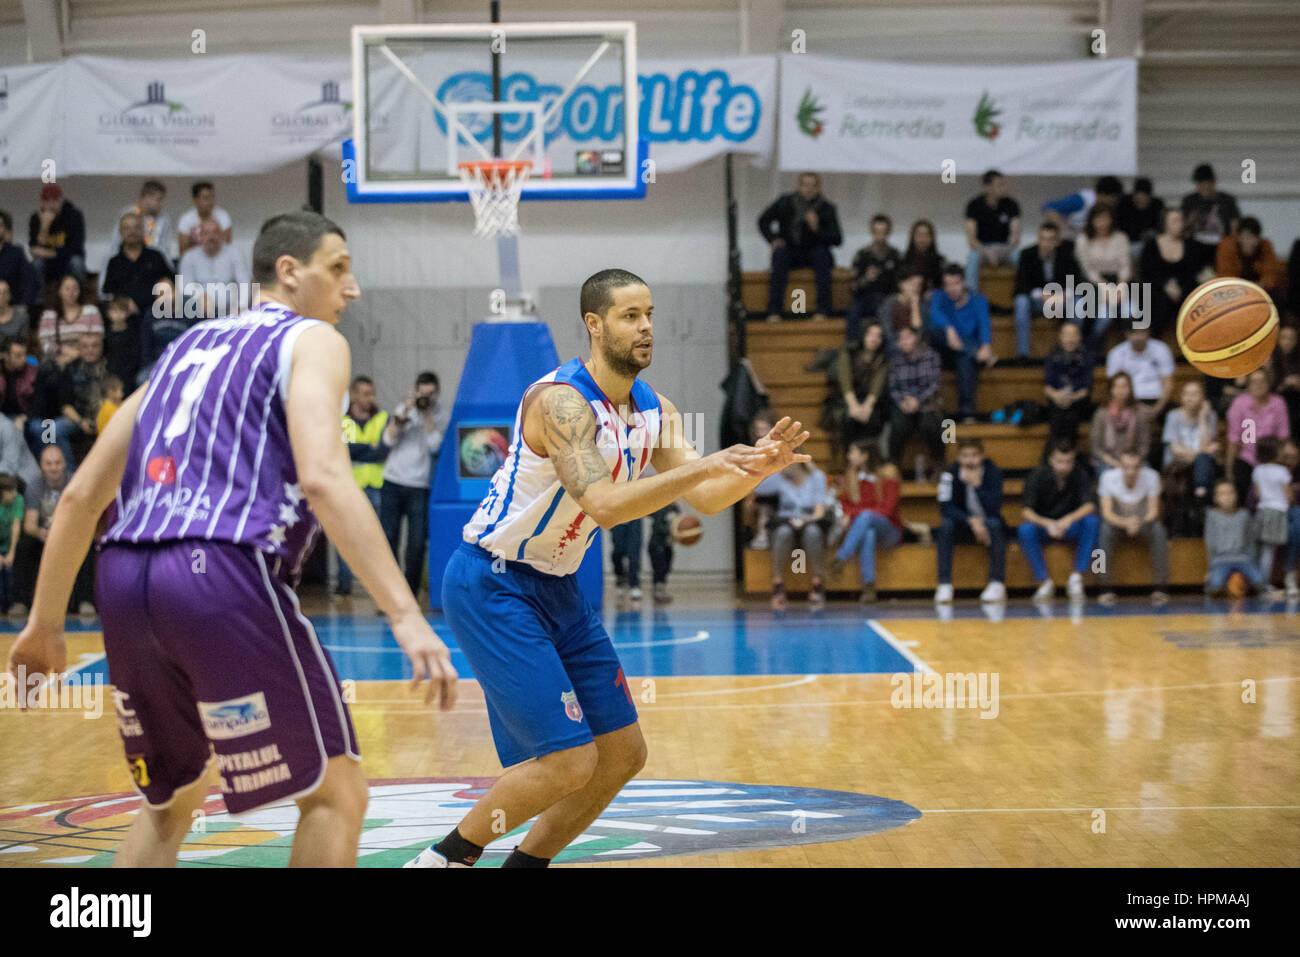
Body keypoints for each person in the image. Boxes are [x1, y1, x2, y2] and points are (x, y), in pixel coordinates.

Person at [5, 210, 457, 868]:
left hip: (124, 577)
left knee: (171, 803)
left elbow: (80, 495)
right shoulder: (312, 340)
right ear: (289, 271)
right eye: (339, 268)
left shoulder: (178, 353)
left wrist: (46, 621)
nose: (351, 287)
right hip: (220, 567)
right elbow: (326, 478)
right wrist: (407, 614)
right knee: (336, 793)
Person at [406, 267, 808, 869]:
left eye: (649, 314)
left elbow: (704, 498)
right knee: (569, 761)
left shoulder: (655, 408)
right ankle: (444, 859)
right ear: (594, 325)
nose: (646, 327)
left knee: (622, 755)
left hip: (558, 586)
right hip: (493, 581)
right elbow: (605, 504)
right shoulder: (560, 402)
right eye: (630, 316)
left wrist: (757, 471)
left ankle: (525, 865)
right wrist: (705, 467)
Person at [9, 445, 95, 619]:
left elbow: (82, 519)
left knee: (88, 544)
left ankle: (86, 601)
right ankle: (21, 602)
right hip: (44, 537)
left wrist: (64, 535)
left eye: (57, 463)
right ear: (42, 466)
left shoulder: (75, 484)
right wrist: (44, 534)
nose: (53, 467)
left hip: (69, 536)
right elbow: (30, 525)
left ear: (65, 464)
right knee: (24, 544)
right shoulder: (34, 486)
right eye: (49, 464)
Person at [380, 371, 445, 598]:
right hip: (393, 482)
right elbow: (388, 440)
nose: (425, 398)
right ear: (415, 390)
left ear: (436, 393)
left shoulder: (439, 415)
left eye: (430, 394)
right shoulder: (404, 409)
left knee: (417, 543)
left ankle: (410, 594)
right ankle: (390, 594)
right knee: (389, 539)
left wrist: (426, 415)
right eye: (421, 393)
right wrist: (405, 410)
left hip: (419, 485)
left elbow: (435, 447)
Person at [1019, 440, 1100, 601]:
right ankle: (1043, 581)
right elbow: (1026, 511)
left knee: (1092, 522)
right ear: (1051, 460)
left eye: (1068, 461)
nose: (1064, 466)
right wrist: (1047, 523)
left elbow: (1089, 506)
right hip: (1045, 526)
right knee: (1025, 529)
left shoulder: (1080, 474)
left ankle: (1077, 577)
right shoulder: (1037, 476)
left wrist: (1068, 519)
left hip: (1070, 525)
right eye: (1060, 461)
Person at [757, 172, 843, 321]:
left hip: (814, 251)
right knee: (779, 255)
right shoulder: (785, 202)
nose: (808, 189)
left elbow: (837, 239)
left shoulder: (826, 208)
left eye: (812, 186)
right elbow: (763, 221)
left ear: (818, 188)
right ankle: (774, 310)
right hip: (791, 249)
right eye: (805, 185)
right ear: (799, 186)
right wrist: (773, 239)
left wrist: (817, 228)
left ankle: (822, 309)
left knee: (822, 256)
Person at [933, 437, 1006, 604]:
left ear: (981, 456)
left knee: (995, 524)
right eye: (965, 455)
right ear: (959, 457)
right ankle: (944, 584)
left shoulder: (993, 472)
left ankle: (997, 582)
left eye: (974, 455)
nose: (970, 460)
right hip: (963, 525)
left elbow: (995, 507)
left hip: (987, 522)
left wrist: (978, 486)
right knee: (945, 526)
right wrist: (970, 520)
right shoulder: (948, 474)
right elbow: (945, 507)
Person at [830, 440, 901, 605]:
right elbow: (845, 503)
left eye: (852, 452)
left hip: (890, 529)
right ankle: (868, 587)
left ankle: (842, 556)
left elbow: (887, 510)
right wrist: (851, 512)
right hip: (865, 528)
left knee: (867, 516)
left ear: (865, 456)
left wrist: (854, 513)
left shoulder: (888, 475)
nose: (849, 456)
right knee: (868, 532)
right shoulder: (851, 476)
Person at [337, 375, 389, 598]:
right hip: (349, 487)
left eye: (372, 393)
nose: (370, 398)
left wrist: (363, 449)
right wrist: (369, 447)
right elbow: (343, 451)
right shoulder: (342, 420)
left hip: (376, 487)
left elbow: (383, 451)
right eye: (365, 393)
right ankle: (343, 586)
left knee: (376, 539)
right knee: (346, 537)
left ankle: (378, 588)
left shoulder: (382, 418)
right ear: (354, 394)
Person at [1097, 450, 1170, 606]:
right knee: (1102, 531)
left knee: (1158, 530)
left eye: (1135, 467)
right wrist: (1125, 523)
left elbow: (1153, 511)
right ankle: (1103, 587)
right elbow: (1107, 513)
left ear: (1141, 467)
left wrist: (1137, 522)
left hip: (1142, 522)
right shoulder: (1107, 478)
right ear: (1120, 466)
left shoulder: (1152, 477)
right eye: (1126, 467)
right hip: (1117, 523)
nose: (1131, 471)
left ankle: (1160, 588)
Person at [757, 461, 830, 610]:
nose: (784, 467)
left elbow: (819, 512)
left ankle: (817, 582)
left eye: (788, 463)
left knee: (812, 533)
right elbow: (756, 489)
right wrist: (771, 470)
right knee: (783, 533)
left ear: (798, 463)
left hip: (810, 520)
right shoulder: (780, 477)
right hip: (785, 521)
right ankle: (777, 583)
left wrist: (804, 520)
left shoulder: (816, 477)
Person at [928, 263, 993, 423]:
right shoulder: (938, 296)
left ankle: (967, 413)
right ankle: (974, 353)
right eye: (947, 284)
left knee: (964, 360)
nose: (951, 288)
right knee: (934, 330)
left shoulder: (979, 301)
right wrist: (949, 329)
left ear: (963, 283)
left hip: (963, 353)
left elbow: (984, 324)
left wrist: (986, 345)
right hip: (944, 351)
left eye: (955, 283)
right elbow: (935, 314)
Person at [1139, 207, 1214, 339]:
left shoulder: (1191, 245)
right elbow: (1147, 273)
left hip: (1185, 289)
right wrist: (1166, 285)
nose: (1179, 224)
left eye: (1181, 220)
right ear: (1165, 223)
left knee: (1194, 302)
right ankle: (1153, 343)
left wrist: (1179, 287)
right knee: (1155, 302)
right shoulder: (1151, 245)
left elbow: (1194, 272)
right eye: (1174, 221)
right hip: (1157, 289)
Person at [1012, 221, 1081, 360]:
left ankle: (1072, 350)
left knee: (1079, 303)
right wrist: (1041, 294)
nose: (1046, 243)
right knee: (1020, 302)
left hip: (1061, 300)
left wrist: (1063, 295)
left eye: (1050, 240)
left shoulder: (1066, 254)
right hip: (1037, 301)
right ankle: (1023, 354)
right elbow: (1021, 285)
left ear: (1057, 241)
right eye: (1043, 239)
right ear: (1038, 239)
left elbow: (1077, 281)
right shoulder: (1027, 254)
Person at [888, 324, 944, 481]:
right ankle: (894, 466)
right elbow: (893, 387)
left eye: (907, 337)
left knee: (936, 425)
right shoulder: (896, 360)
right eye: (900, 339)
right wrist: (903, 401)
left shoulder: (931, 356)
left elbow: (934, 384)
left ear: (917, 338)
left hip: (928, 403)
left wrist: (917, 400)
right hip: (904, 405)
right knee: (897, 425)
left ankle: (939, 463)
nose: (903, 342)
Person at [1225, 368, 1290, 503]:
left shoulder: (1278, 403)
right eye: (1254, 382)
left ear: (1269, 383)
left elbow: (1283, 438)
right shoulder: (1239, 403)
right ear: (1249, 385)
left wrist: (1281, 464)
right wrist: (1229, 471)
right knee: (1241, 480)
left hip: (1271, 460)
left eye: (1262, 381)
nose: (1259, 385)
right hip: (1245, 458)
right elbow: (1233, 439)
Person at [1203, 480, 1275, 598]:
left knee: (1259, 582)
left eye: (1230, 493)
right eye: (1222, 494)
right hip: (1220, 559)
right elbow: (1209, 543)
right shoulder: (1212, 515)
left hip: (1243, 558)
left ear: (1236, 495)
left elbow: (1250, 541)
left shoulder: (1244, 515)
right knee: (1214, 587)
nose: (1227, 497)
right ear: (1216, 498)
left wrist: (1252, 562)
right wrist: (1210, 569)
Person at [1074, 203, 1132, 343]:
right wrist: (1105, 288)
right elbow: (1087, 269)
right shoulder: (1083, 240)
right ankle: (1091, 343)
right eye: (1098, 219)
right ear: (1091, 220)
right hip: (1092, 285)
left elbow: (1125, 266)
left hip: (1119, 282)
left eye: (1105, 219)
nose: (1102, 223)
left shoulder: (1121, 238)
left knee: (1132, 312)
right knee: (1105, 315)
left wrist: (1120, 286)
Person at [101, 212, 174, 318]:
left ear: (143, 230)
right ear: (121, 232)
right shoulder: (114, 262)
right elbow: (109, 292)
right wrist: (124, 302)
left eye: (136, 227)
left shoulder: (156, 256)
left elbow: (171, 282)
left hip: (156, 314)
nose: (132, 232)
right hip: (126, 315)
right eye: (127, 228)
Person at [833, 321, 889, 455]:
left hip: (871, 400)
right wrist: (854, 406)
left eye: (878, 336)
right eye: (870, 334)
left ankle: (867, 462)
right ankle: (850, 460)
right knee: (848, 419)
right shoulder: (848, 352)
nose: (874, 339)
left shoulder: (882, 358)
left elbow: (878, 383)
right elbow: (845, 380)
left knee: (873, 419)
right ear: (863, 335)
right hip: (846, 398)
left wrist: (867, 406)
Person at [177, 218, 251, 318]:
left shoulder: (234, 253)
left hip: (231, 311)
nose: (211, 237)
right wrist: (200, 298)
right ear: (200, 236)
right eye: (206, 233)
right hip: (197, 310)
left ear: (222, 235)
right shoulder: (189, 257)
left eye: (215, 232)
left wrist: (240, 307)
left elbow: (244, 283)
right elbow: (184, 288)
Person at [963, 169, 1021, 293]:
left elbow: (1015, 235)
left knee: (1020, 256)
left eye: (1003, 184)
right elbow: (971, 239)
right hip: (982, 248)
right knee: (972, 259)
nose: (1003, 187)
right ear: (987, 187)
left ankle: (1020, 293)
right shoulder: (974, 205)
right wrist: (986, 251)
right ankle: (971, 295)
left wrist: (1003, 250)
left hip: (1005, 248)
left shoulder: (1011, 204)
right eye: (999, 185)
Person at [1162, 379, 1219, 505]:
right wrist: (1202, 452)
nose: (1189, 398)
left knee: (1203, 460)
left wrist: (1203, 419)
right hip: (1178, 465)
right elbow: (1176, 450)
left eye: (1194, 394)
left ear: (1202, 398)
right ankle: (1200, 492)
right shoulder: (1173, 416)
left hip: (1202, 464)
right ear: (1181, 397)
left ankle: (1201, 494)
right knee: (1202, 458)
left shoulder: (1211, 415)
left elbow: (1206, 445)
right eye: (1186, 394)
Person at [846, 214, 899, 341]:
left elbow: (899, 284)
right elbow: (853, 287)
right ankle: (853, 347)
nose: (880, 236)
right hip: (864, 298)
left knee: (887, 311)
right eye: (877, 232)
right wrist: (866, 279)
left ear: (888, 232)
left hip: (887, 299)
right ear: (872, 232)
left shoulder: (895, 256)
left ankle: (888, 350)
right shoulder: (862, 255)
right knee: (853, 311)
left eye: (883, 232)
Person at [1042, 322, 1094, 450]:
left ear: (1079, 337)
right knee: (1059, 414)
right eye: (1067, 335)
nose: (1070, 339)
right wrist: (1057, 396)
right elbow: (1047, 387)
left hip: (1078, 403)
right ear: (1060, 337)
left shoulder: (1086, 358)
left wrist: (1070, 399)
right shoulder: (1052, 357)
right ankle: (1056, 453)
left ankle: (1067, 452)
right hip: (1057, 402)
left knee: (1069, 415)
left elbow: (1086, 390)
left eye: (1073, 335)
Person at [1091, 372, 1153, 477]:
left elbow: (1144, 445)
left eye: (1124, 386)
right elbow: (1096, 448)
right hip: (1108, 461)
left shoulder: (1139, 413)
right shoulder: (1101, 413)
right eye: (1117, 386)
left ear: (1130, 389)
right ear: (1111, 389)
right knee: (1107, 475)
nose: (1120, 390)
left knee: (1150, 476)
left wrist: (1130, 463)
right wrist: (1115, 463)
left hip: (1134, 460)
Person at [1105, 327, 1175, 417]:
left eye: (1142, 332)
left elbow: (1168, 383)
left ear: (1148, 332)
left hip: (1156, 399)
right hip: (1129, 400)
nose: (1139, 337)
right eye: (1135, 333)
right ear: (1127, 334)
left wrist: (1158, 408)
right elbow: (1113, 385)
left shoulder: (1162, 349)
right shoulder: (1116, 353)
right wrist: (1134, 407)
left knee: (1172, 414)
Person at [105, 180, 175, 267]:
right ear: (146, 197)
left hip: (154, 263)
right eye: (158, 199)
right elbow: (115, 244)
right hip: (129, 260)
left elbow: (166, 249)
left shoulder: (164, 219)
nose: (161, 204)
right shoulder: (128, 214)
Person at [28, 184, 86, 287]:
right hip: (48, 263)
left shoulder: (74, 216)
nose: (51, 205)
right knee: (36, 265)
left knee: (76, 262)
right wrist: (44, 226)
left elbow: (75, 248)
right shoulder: (36, 218)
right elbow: (33, 249)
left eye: (54, 201)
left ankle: (80, 296)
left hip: (67, 260)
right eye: (47, 201)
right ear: (41, 203)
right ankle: (39, 302)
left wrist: (48, 253)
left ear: (61, 200)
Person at [1251, 437, 1291, 586]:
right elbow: (1288, 494)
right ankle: (1264, 584)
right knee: (1269, 551)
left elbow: (1257, 494)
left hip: (1262, 510)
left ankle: (1260, 581)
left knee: (1263, 550)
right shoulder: (1282, 471)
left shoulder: (1257, 470)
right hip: (1278, 511)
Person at [1215, 217, 1285, 297]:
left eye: (1255, 238)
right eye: (1248, 237)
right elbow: (1225, 277)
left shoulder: (1265, 247)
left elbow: (1271, 276)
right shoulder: (1227, 247)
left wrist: (1259, 285)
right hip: (1234, 292)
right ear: (1239, 237)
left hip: (1260, 291)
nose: (1252, 242)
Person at [37, 274, 102, 360]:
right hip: (57, 361)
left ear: (80, 291)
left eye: (75, 288)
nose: (71, 292)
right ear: (59, 291)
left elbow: (98, 339)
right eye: (67, 289)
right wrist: (62, 351)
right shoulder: (48, 315)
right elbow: (43, 343)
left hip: (86, 359)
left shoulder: (91, 311)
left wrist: (78, 354)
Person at [1041, 175, 1123, 241]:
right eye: (1113, 200)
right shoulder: (1082, 200)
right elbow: (1048, 208)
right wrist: (1068, 230)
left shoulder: (1110, 208)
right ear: (1103, 195)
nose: (1114, 204)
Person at [1181, 163, 1240, 247]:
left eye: (1208, 183)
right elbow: (1182, 227)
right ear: (1196, 184)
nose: (1205, 187)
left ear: (1214, 182)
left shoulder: (1227, 200)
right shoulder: (1189, 201)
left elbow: (1235, 227)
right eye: (1201, 184)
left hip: (1221, 246)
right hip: (1194, 247)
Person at [177, 181, 233, 256]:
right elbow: (183, 252)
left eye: (212, 197)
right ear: (195, 201)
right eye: (206, 198)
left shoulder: (223, 216)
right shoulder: (186, 219)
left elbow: (227, 247)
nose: (211, 202)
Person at [1116, 177, 1165, 259]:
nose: (1140, 203)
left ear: (1149, 198)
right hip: (1127, 243)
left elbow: (1160, 227)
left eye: (1144, 200)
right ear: (1133, 196)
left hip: (1149, 244)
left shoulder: (1157, 205)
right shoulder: (1124, 204)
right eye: (1138, 200)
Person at [1266, 324, 1300, 439]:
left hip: (1295, 401)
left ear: (1296, 341)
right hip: (1275, 401)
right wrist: (1285, 383)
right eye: (1283, 338)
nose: (1287, 342)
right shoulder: (1270, 358)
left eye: (1291, 338)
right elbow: (1268, 387)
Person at [102, 296, 142, 391]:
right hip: (111, 371)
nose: (118, 314)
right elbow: (105, 352)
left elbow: (135, 354)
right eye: (114, 311)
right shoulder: (107, 334)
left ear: (127, 313)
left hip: (129, 372)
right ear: (108, 313)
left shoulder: (133, 332)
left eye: (122, 311)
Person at [877, 269, 928, 343]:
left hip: (915, 343)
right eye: (912, 284)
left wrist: (915, 306)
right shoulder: (889, 302)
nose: (916, 288)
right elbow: (887, 330)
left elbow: (918, 331)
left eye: (919, 285)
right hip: (894, 341)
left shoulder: (922, 305)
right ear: (901, 284)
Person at [0, 210, 37, 308]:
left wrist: (23, 306)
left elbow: (29, 281)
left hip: (13, 310)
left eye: (0, 225)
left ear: (4, 229)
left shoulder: (16, 252)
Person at [0, 336, 37, 429]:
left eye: (25, 354)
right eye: (18, 355)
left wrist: (23, 418)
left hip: (24, 416)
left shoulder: (33, 372)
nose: (23, 359)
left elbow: (39, 403)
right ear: (5, 355)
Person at [899, 219, 944, 291]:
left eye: (926, 235)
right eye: (919, 235)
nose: (922, 239)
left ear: (932, 238)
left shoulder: (939, 262)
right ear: (913, 237)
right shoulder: (903, 261)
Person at [0, 473, 21, 614]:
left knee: (10, 573)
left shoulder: (18, 500)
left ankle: (13, 604)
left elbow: (16, 525)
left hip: (9, 546)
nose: (14, 494)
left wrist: (11, 552)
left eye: (15, 490)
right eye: (10, 491)